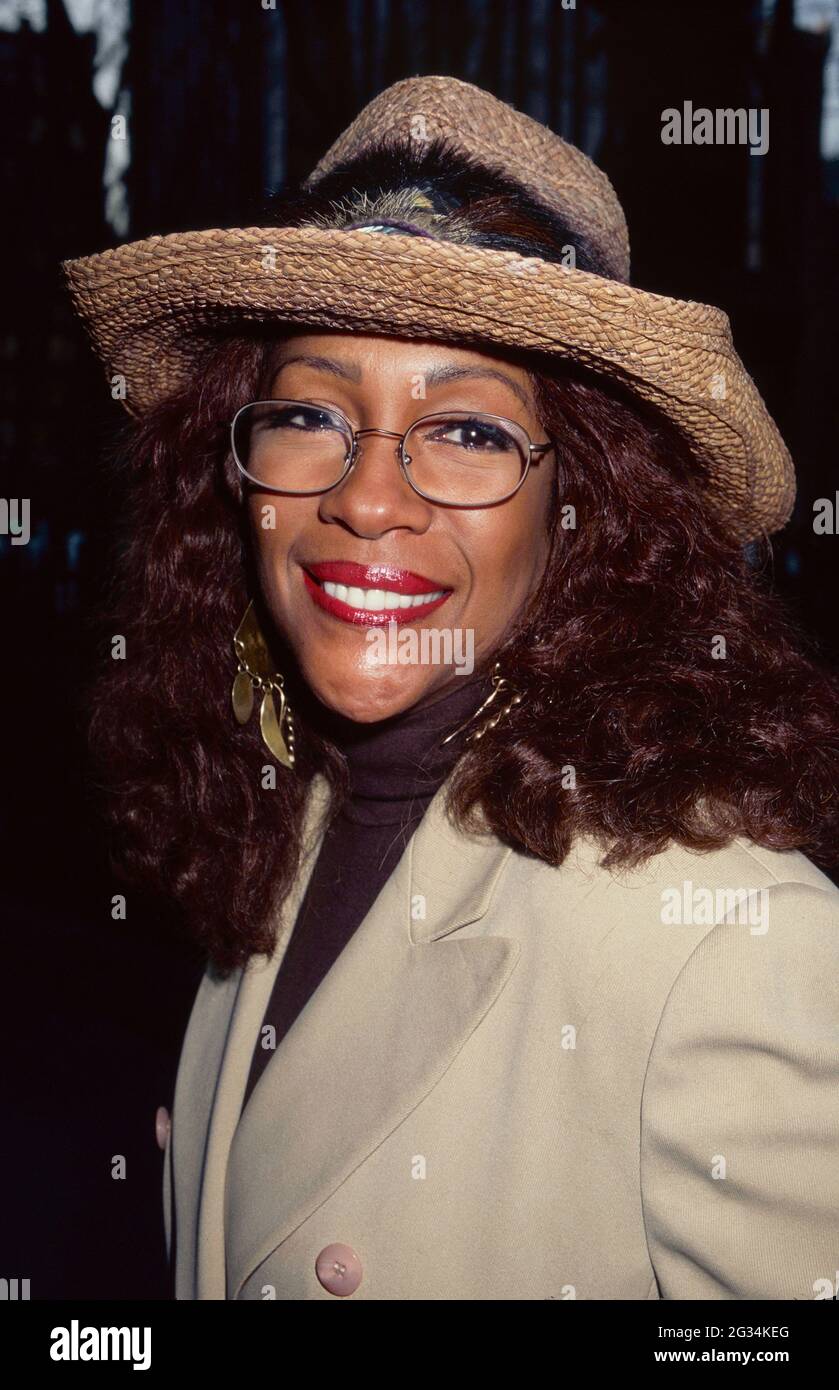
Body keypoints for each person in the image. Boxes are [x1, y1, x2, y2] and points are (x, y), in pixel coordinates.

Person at [63, 75, 839, 1301]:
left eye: (468, 432)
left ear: (585, 513)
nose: (367, 500)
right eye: (309, 412)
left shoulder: (733, 947)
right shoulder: (281, 821)